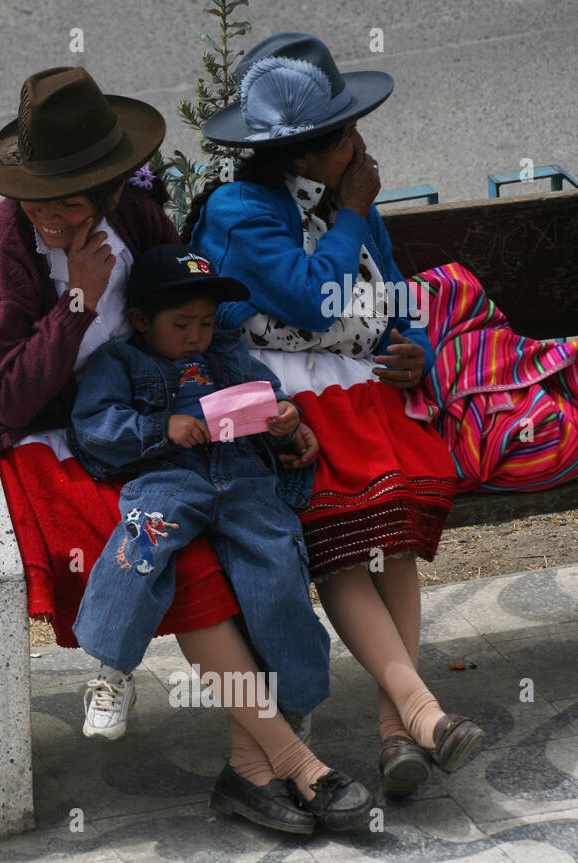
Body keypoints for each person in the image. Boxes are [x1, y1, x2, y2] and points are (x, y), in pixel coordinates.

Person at [0, 67, 358, 833]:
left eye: (72, 198)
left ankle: (249, 770)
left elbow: (200, 320)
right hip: (61, 447)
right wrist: (74, 298)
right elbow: (8, 397)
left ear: (108, 189)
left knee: (259, 542)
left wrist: (272, 409)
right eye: (38, 197)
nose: (52, 214)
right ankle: (297, 763)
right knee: (185, 560)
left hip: (173, 431)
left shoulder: (136, 218)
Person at [187, 32, 486, 799]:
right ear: (301, 155)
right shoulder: (238, 210)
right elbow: (307, 296)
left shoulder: (347, 199)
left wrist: (411, 344)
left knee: (393, 533)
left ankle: (401, 733)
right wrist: (354, 211)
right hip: (286, 405)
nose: (361, 146)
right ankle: (421, 711)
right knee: (345, 541)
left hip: (363, 390)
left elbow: (390, 293)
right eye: (345, 136)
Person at [67, 243, 372, 831]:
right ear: (140, 320)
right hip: (168, 479)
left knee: (280, 573)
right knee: (139, 548)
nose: (196, 335)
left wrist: (287, 420)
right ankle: (111, 673)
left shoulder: (228, 353)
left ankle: (295, 700)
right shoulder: (120, 362)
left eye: (205, 322)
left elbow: (269, 401)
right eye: (181, 325)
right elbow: (95, 429)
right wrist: (161, 426)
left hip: (246, 480)